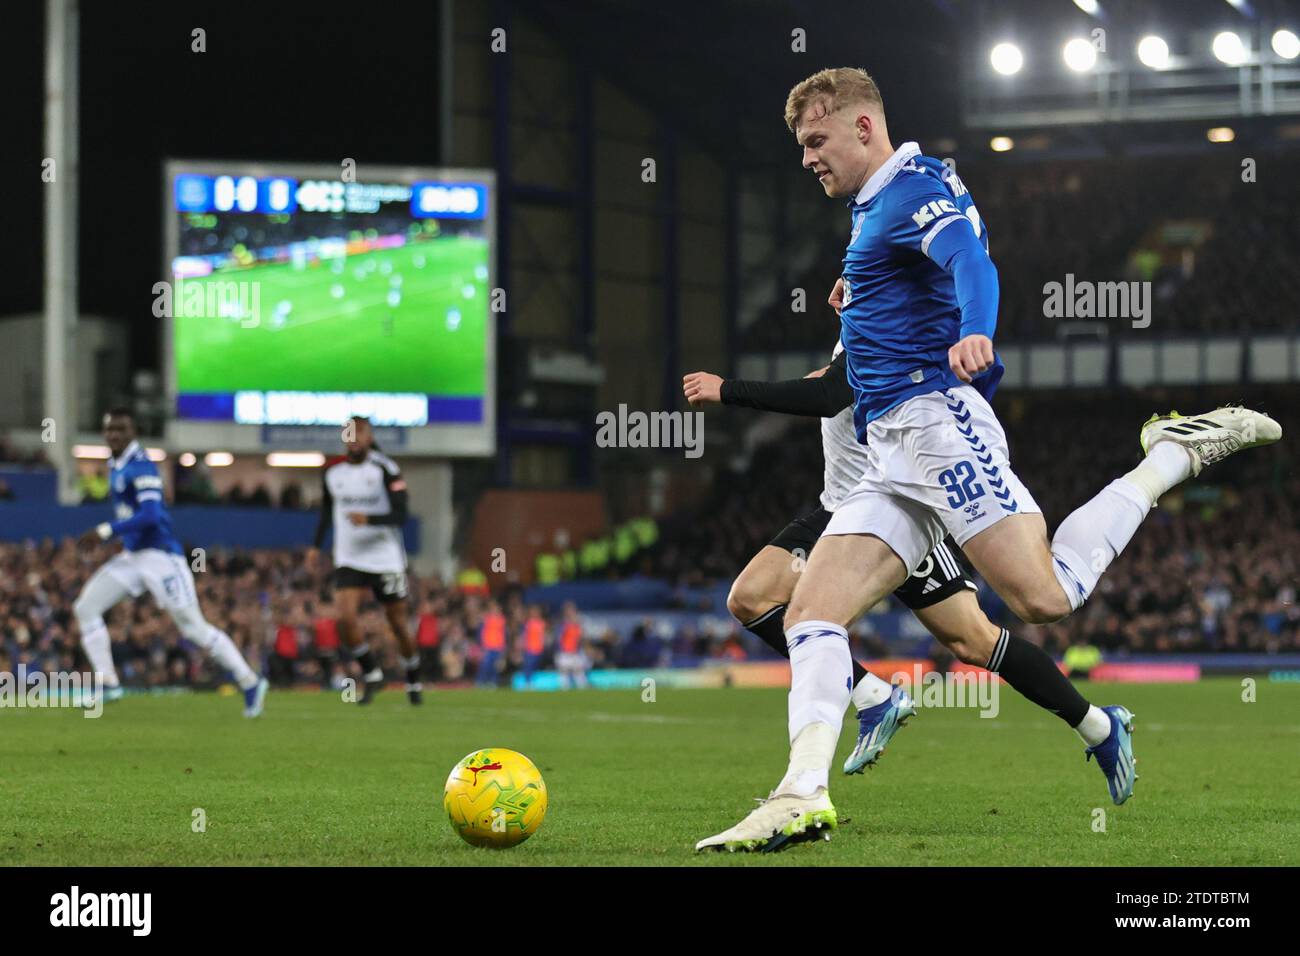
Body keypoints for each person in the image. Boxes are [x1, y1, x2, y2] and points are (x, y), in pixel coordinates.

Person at [697, 67, 1281, 852]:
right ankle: (800, 793)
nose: (807, 158)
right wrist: (861, 296)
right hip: (889, 451)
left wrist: (978, 327)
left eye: (816, 140)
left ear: (864, 127)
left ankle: (1168, 458)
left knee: (1045, 599)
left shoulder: (912, 187)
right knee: (808, 614)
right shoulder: (875, 207)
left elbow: (971, 260)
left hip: (937, 425)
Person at [686, 337, 1119, 777]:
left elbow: (826, 396)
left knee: (975, 642)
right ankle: (1097, 725)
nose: (845, 283)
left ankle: (1096, 725)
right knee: (753, 597)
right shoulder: (860, 333)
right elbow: (832, 389)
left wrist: (727, 389)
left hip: (880, 517)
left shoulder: (881, 333)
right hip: (859, 513)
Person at [73, 407, 268, 716]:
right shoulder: (115, 463)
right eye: (109, 429)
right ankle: (108, 682)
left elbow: (151, 516)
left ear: (133, 432)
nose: (113, 435)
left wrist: (105, 530)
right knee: (86, 607)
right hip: (133, 557)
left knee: (195, 630)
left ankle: (249, 680)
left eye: (120, 429)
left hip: (162, 558)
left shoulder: (142, 467)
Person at [308, 415, 422, 705]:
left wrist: (369, 519)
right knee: (345, 618)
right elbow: (325, 512)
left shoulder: (385, 468)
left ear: (369, 437)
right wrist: (314, 546)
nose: (354, 438)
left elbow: (401, 514)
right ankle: (373, 673)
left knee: (397, 622)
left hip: (385, 557)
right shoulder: (333, 473)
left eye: (359, 433)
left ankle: (412, 677)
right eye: (349, 433)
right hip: (349, 556)